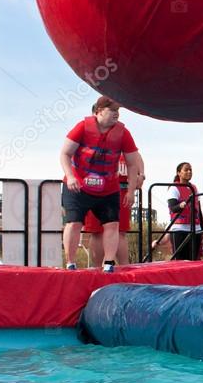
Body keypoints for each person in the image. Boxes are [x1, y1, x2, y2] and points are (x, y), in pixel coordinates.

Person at [59, 96, 144, 271]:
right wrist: (70, 176)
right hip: (78, 186)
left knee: (112, 224)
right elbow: (65, 154)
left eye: (118, 111)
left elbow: (132, 163)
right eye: (112, 110)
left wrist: (131, 192)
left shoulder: (123, 133)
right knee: (74, 223)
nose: (116, 114)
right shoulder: (82, 127)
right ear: (98, 112)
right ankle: (70, 262)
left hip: (107, 189)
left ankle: (109, 263)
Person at [83, 154, 133, 267]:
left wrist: (141, 176)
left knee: (120, 231)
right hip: (95, 190)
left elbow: (136, 162)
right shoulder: (88, 149)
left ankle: (123, 267)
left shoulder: (126, 152)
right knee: (97, 231)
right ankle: (97, 268)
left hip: (119, 192)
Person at [167, 162, 203, 260]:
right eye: (186, 170)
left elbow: (199, 210)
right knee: (180, 260)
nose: (189, 172)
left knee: (194, 259)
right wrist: (180, 205)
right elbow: (172, 207)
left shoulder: (194, 188)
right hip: (179, 229)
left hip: (195, 228)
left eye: (190, 170)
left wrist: (202, 228)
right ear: (179, 173)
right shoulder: (174, 188)